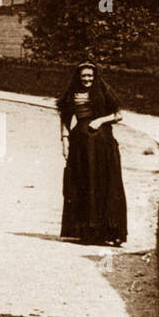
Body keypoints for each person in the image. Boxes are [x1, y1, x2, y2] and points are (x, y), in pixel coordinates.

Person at [58, 61, 127, 246]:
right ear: (78, 77)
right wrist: (64, 142)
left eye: (90, 76)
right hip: (80, 146)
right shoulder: (72, 93)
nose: (87, 79)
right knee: (84, 183)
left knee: (106, 183)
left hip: (103, 145)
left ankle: (111, 232)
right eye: (84, 76)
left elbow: (118, 114)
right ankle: (87, 232)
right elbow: (65, 119)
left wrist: (100, 121)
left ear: (95, 76)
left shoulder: (103, 90)